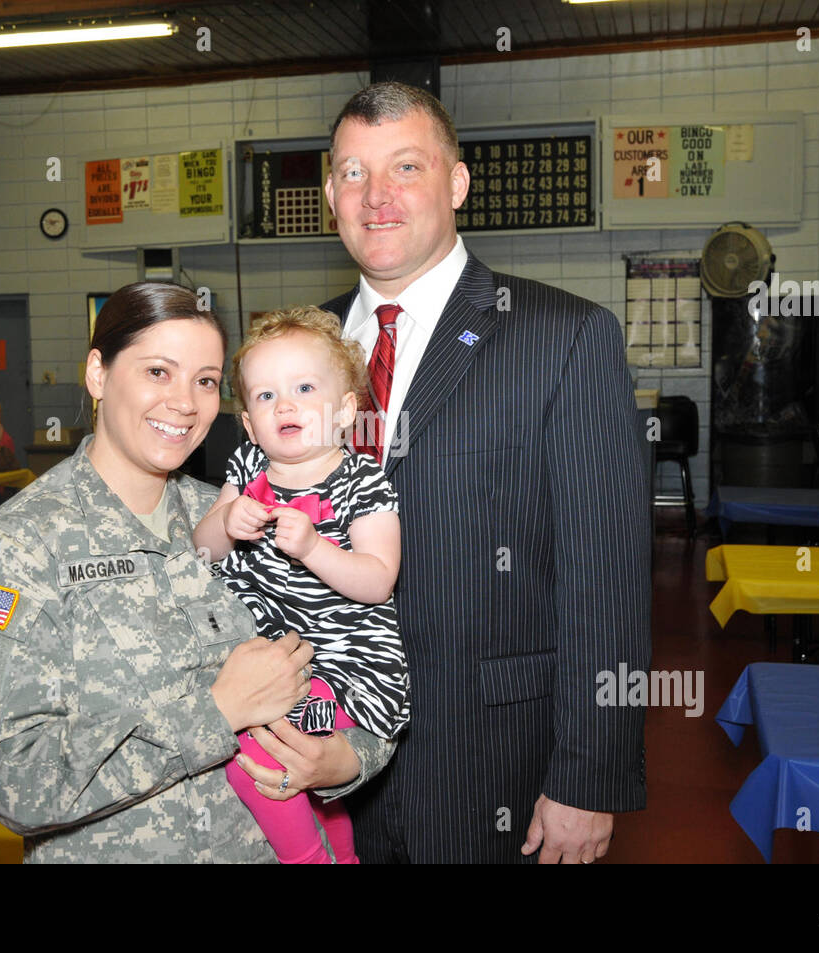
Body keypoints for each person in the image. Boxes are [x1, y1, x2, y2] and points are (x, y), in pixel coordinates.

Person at [0, 281, 395, 863]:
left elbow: (360, 647)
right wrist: (215, 714)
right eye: (157, 372)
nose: (185, 402)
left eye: (204, 380)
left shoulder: (241, 516)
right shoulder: (15, 548)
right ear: (98, 375)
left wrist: (348, 758)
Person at [320, 82, 651, 863]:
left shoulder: (564, 338)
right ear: (331, 191)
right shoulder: (301, 348)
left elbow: (607, 580)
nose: (377, 197)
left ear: (457, 183)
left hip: (493, 764)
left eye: (405, 167)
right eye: (353, 173)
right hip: (324, 767)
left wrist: (589, 775)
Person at [192, 306, 408, 864]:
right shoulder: (247, 470)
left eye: (304, 388)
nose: (283, 404)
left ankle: (306, 858)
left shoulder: (362, 481)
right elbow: (203, 552)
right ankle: (340, 854)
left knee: (257, 754)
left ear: (344, 410)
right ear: (247, 424)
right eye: (264, 396)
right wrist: (226, 521)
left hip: (343, 656)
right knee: (291, 757)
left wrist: (315, 548)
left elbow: (379, 579)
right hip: (269, 655)